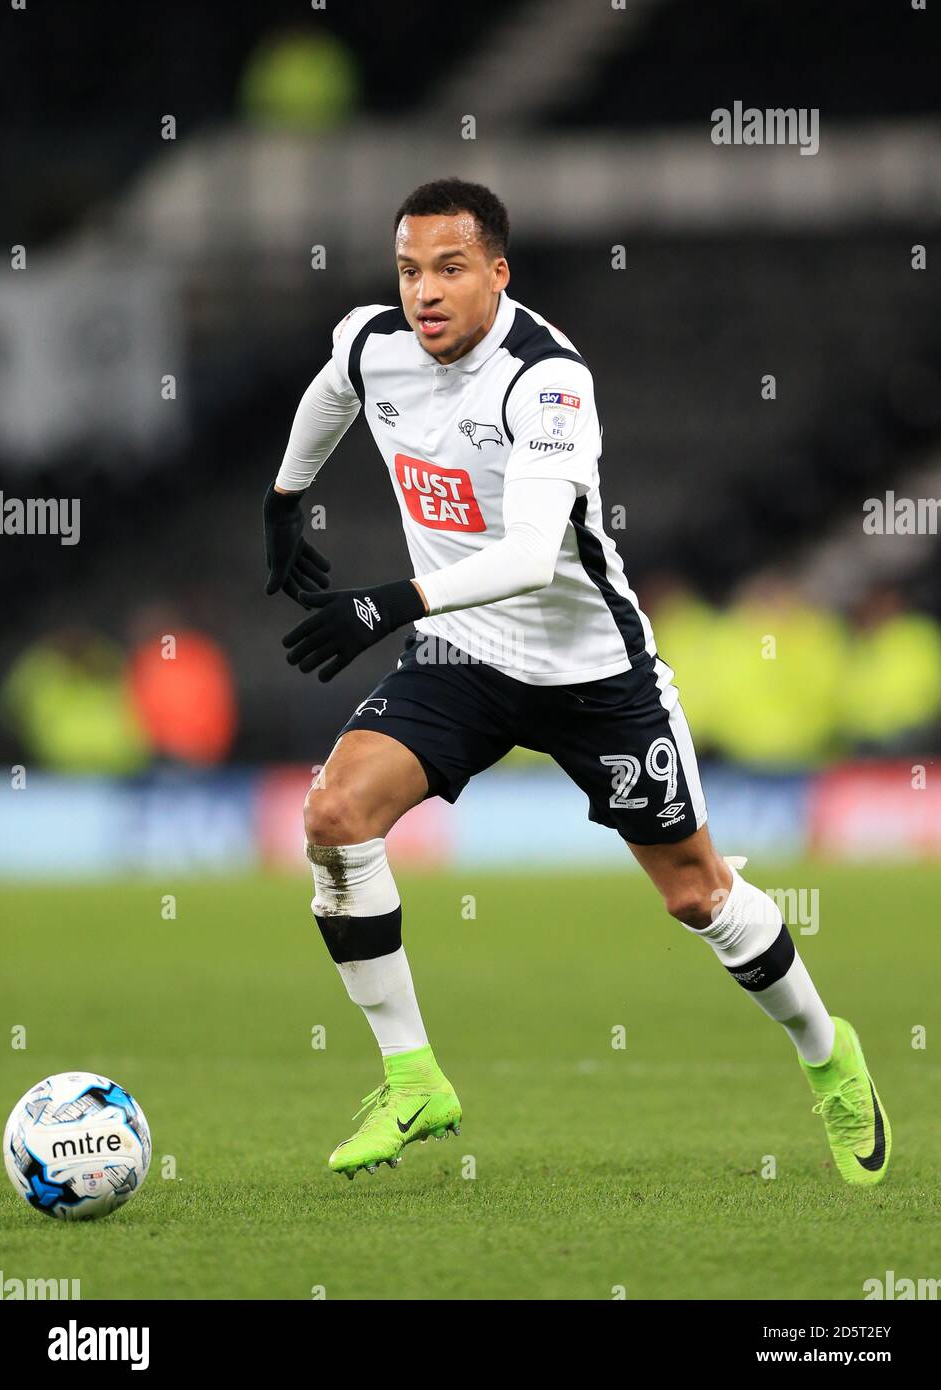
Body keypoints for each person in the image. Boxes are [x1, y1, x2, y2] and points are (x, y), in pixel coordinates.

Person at [263, 178, 890, 1185]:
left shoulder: (543, 381)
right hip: (467, 656)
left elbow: (526, 554)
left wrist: (384, 603)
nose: (425, 291)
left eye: (450, 269)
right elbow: (335, 384)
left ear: (497, 274)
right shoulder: (373, 340)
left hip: (591, 671)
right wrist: (286, 495)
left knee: (695, 894)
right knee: (336, 815)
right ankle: (414, 1074)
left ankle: (828, 1053)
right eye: (410, 270)